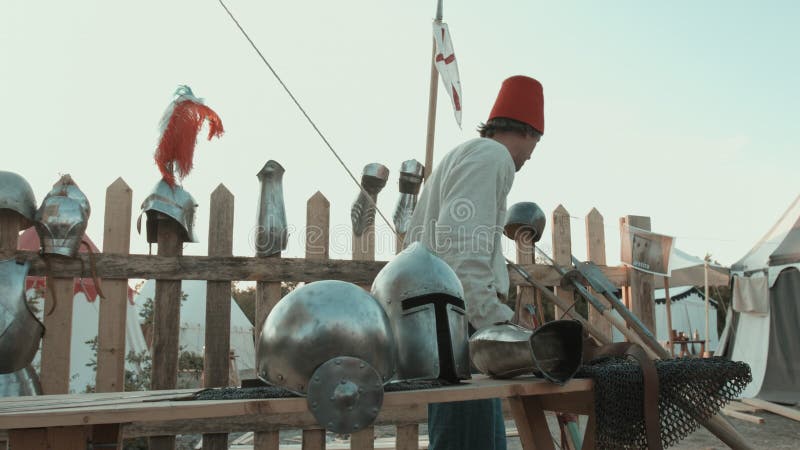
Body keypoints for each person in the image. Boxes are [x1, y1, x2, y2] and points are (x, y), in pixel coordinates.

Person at [404, 75, 545, 450]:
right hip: (460, 325)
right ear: (530, 132)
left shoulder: (466, 154)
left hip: (446, 324)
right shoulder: (492, 156)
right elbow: (463, 248)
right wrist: (496, 324)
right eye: (535, 144)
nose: (531, 155)